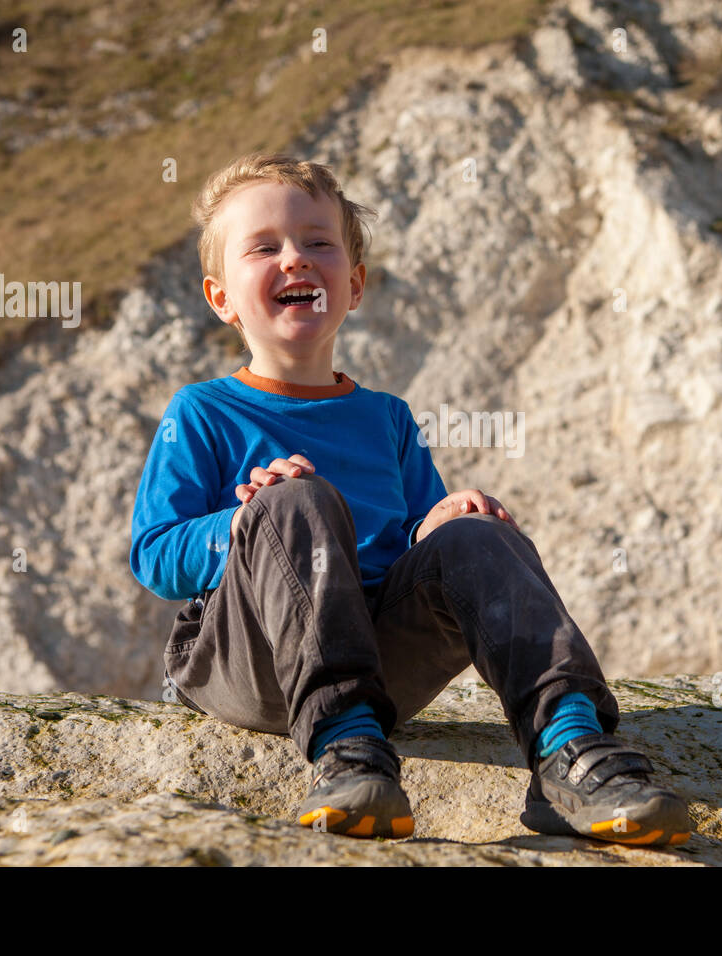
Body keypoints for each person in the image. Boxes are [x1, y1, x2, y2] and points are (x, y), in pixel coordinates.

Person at [129, 151, 693, 845]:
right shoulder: (204, 410)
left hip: (373, 660)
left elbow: (415, 550)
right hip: (247, 662)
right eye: (264, 246)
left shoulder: (387, 418)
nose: (295, 259)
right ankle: (347, 753)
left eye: (318, 243)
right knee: (296, 500)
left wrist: (445, 522)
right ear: (221, 298)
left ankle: (569, 750)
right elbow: (154, 554)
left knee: (481, 534)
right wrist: (248, 521)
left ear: (354, 284)